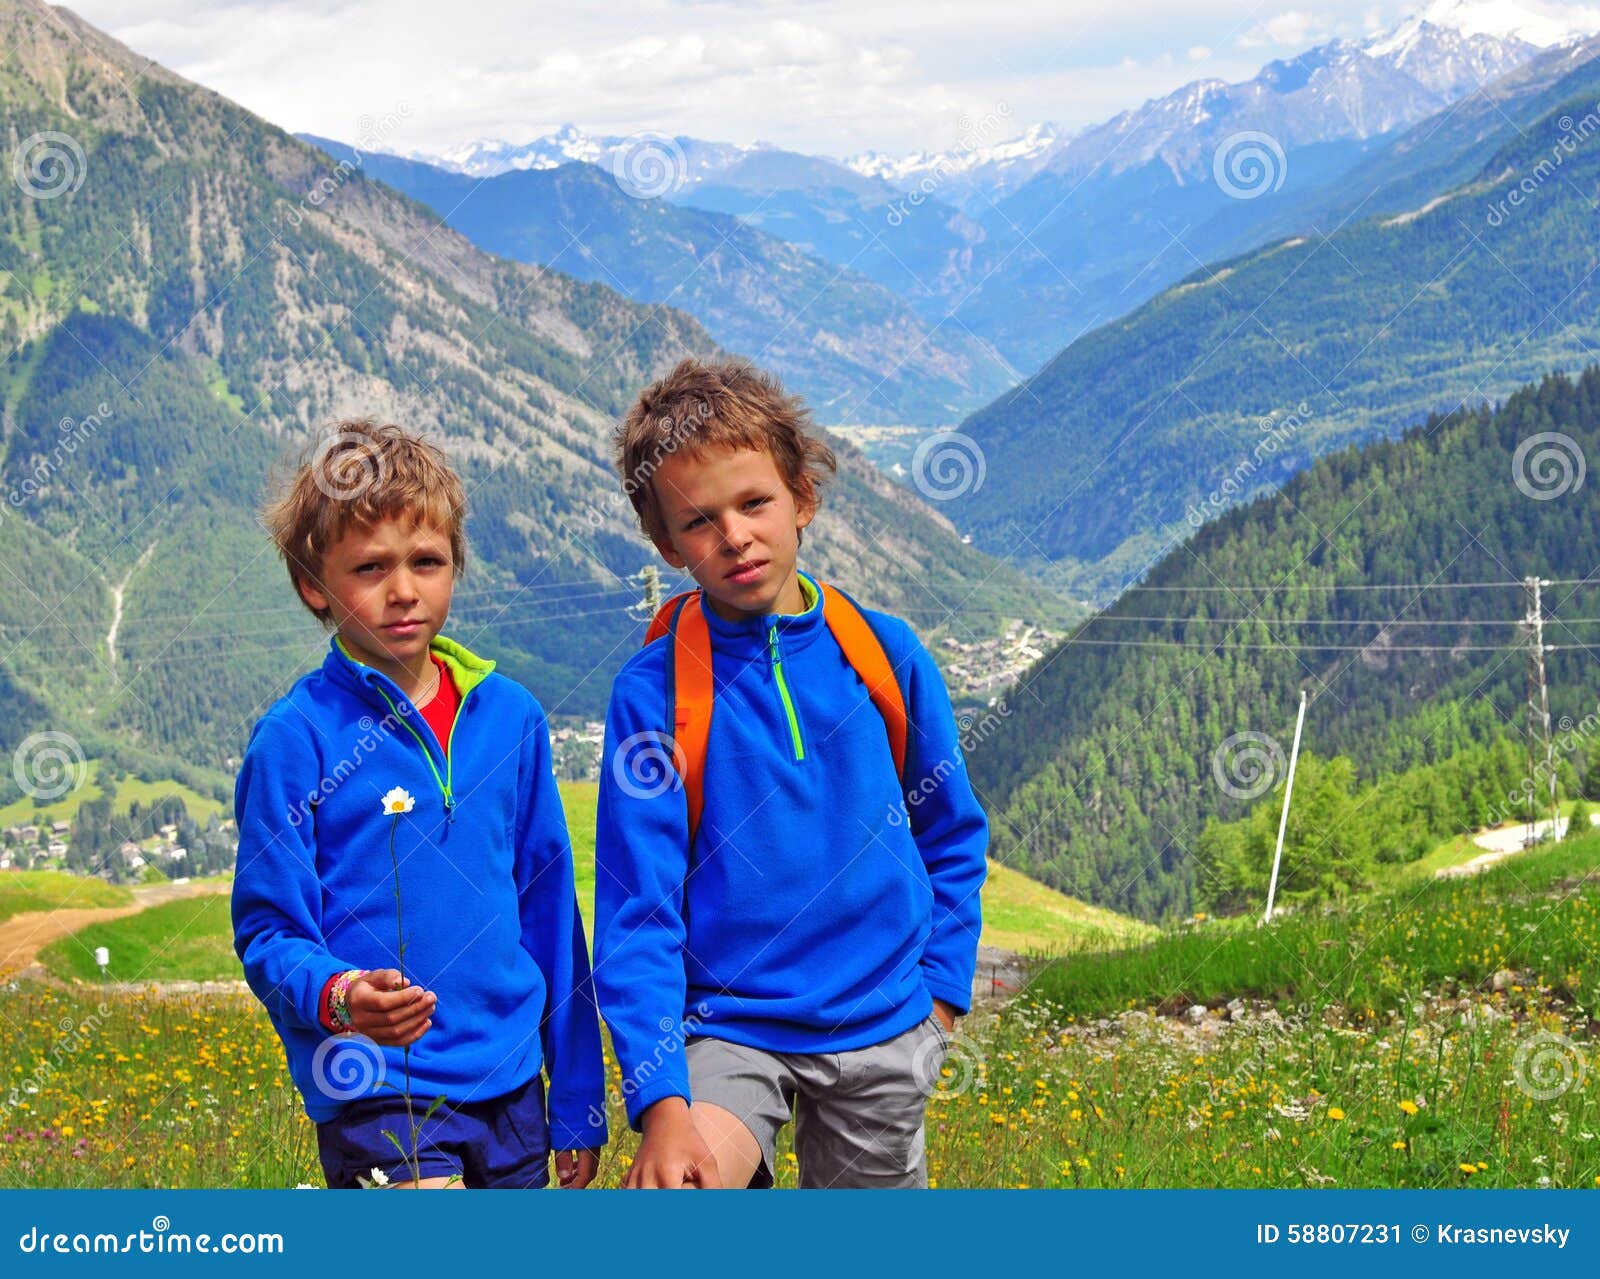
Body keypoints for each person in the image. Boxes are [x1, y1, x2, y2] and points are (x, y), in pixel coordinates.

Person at [594, 358, 989, 1189]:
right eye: (699, 521)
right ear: (667, 544)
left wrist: (941, 996)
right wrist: (662, 1101)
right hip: (732, 1026)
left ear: (802, 498)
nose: (733, 535)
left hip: (885, 1021)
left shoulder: (886, 655)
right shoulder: (654, 692)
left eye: (755, 502)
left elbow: (951, 831)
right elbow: (639, 913)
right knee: (673, 1202)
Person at [232, 419, 606, 1189]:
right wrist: (337, 996)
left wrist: (575, 1097)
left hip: (511, 1087)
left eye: (426, 561)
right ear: (314, 584)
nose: (403, 589)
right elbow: (268, 931)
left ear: (455, 567)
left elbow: (550, 915)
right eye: (370, 567)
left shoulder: (512, 718)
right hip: (375, 1087)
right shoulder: (295, 739)